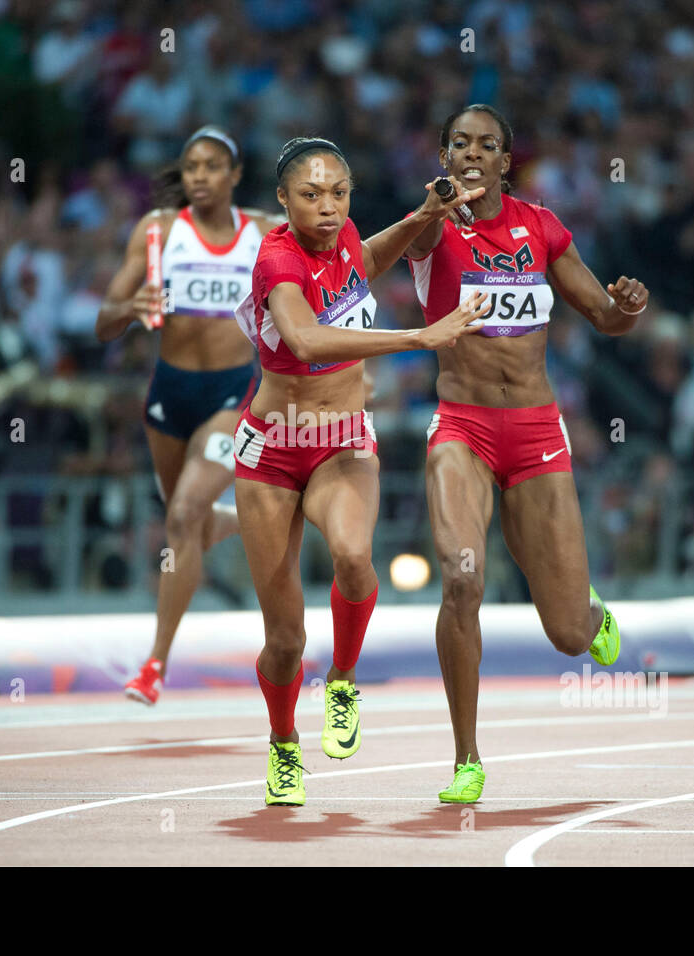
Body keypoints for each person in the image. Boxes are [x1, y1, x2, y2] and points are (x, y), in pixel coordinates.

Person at [403, 104, 645, 805]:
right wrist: (428, 212)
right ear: (444, 155)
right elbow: (384, 254)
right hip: (463, 428)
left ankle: (592, 612)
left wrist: (626, 306)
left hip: (537, 432)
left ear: (507, 161)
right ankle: (466, 759)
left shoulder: (540, 227)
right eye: (458, 144)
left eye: (486, 145)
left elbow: (603, 315)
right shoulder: (430, 227)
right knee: (462, 580)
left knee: (569, 634)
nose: (471, 155)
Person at [234, 136, 485, 806]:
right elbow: (308, 340)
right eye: (310, 194)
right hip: (271, 449)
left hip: (342, 438)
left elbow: (366, 260)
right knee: (284, 639)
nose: (327, 206)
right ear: (283, 200)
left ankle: (342, 679)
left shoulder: (344, 236)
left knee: (352, 557)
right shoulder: (275, 260)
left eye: (338, 193)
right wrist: (416, 338)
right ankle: (284, 743)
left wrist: (422, 216)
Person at [96, 127, 281, 705]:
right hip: (169, 395)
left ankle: (154, 664)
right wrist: (130, 308)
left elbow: (342, 260)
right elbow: (102, 321)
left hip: (235, 393)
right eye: (191, 166)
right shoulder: (158, 232)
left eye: (212, 166)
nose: (199, 175)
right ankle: (228, 521)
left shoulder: (265, 231)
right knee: (190, 525)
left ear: (235, 174)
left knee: (180, 517)